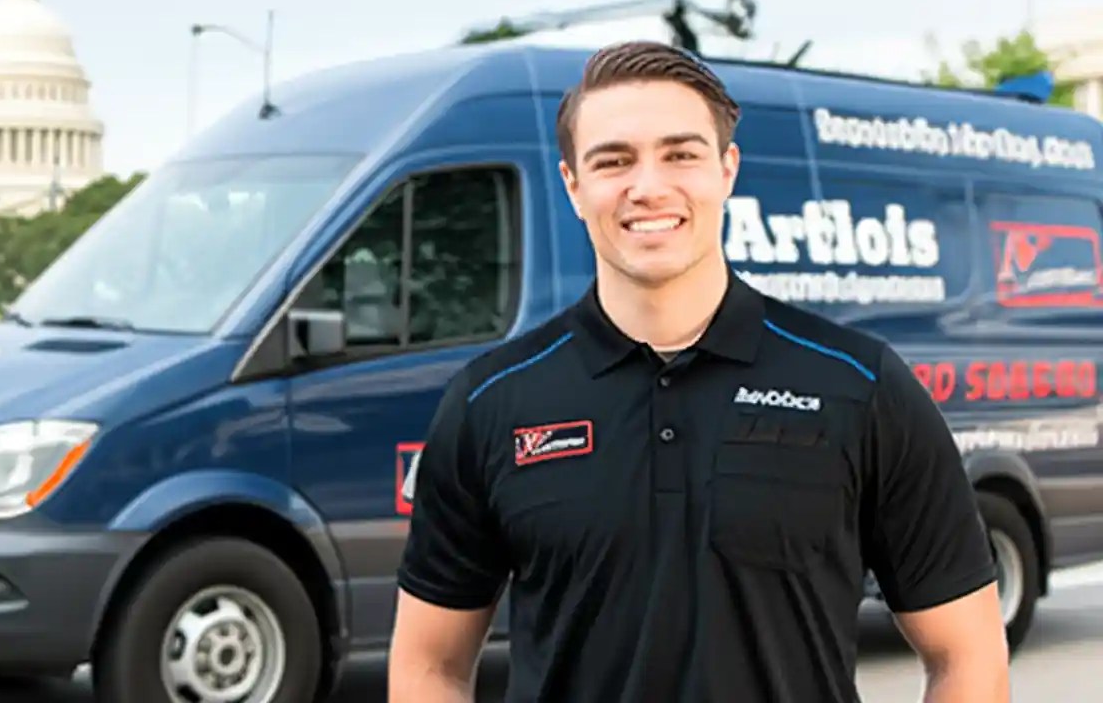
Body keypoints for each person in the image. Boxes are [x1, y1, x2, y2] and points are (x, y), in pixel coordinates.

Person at [388, 40, 1009, 703]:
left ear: (727, 169)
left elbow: (966, 653)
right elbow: (430, 666)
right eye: (614, 160)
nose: (648, 186)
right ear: (573, 186)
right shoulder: (492, 401)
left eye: (680, 154)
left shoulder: (860, 386)